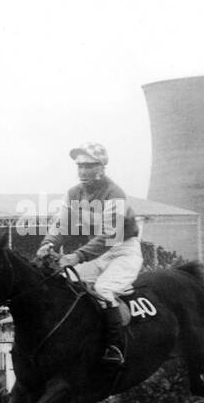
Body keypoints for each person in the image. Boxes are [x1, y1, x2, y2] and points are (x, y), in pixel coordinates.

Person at [36, 142, 142, 366]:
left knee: (104, 290)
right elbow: (62, 224)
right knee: (66, 284)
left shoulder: (115, 193)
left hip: (123, 251)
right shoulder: (74, 193)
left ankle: (115, 347)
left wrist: (77, 256)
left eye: (89, 166)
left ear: (101, 167)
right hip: (97, 254)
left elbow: (110, 237)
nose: (82, 171)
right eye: (79, 166)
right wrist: (48, 243)